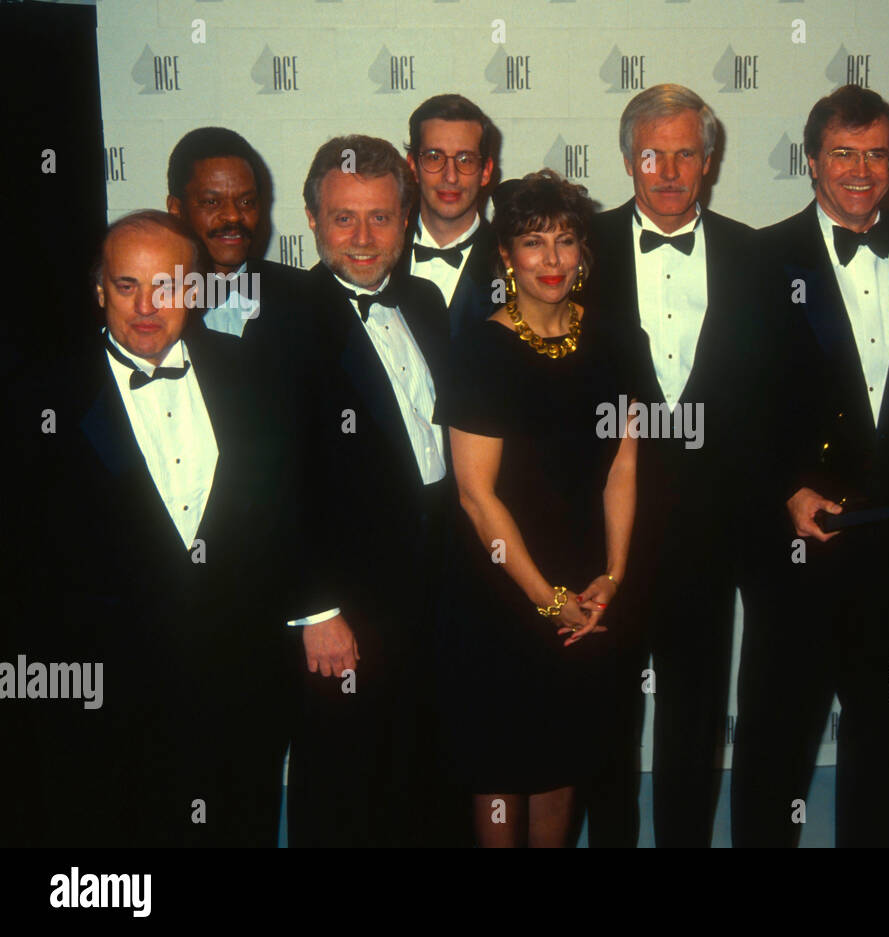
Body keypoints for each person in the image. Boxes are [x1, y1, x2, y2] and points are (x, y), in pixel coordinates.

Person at [24, 211, 299, 845]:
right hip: (104, 702)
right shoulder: (39, 397)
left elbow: (289, 514)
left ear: (195, 291)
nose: (147, 307)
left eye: (168, 286)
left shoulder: (256, 375)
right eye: (126, 286)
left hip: (239, 689)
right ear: (100, 291)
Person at [735, 85, 889, 847]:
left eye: (876, 154)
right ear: (812, 160)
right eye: (843, 154)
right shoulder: (757, 259)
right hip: (798, 538)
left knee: (882, 731)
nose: (860, 170)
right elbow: (733, 403)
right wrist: (785, 488)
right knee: (775, 729)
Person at [584, 83, 781, 847]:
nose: (668, 170)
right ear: (628, 160)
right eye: (651, 154)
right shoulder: (578, 247)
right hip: (603, 525)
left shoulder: (756, 256)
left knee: (696, 712)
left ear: (710, 160)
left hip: (712, 527)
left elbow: (775, 391)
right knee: (606, 705)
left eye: (685, 154)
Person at [434, 169, 638, 847]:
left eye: (566, 240)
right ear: (506, 256)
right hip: (500, 584)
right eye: (532, 242)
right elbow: (475, 493)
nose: (551, 259)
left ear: (584, 251)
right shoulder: (480, 351)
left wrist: (611, 573)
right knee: (501, 764)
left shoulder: (615, 342)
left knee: (562, 757)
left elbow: (623, 466)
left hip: (584, 579)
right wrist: (545, 598)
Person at [279, 134, 463, 846]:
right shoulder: (282, 320)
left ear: (406, 218)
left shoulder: (422, 299)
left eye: (381, 217)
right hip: (344, 601)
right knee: (344, 782)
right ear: (313, 218)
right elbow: (271, 482)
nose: (362, 237)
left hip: (435, 584)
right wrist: (314, 607)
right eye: (343, 217)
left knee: (426, 768)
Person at [165, 127, 308, 345]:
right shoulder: (151, 305)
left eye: (246, 202)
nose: (233, 216)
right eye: (211, 202)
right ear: (176, 209)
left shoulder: (305, 295)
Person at [403, 94, 500, 336]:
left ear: (485, 171)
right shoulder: (377, 253)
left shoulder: (513, 266)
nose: (451, 176)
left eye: (465, 160)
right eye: (434, 157)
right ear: (413, 166)